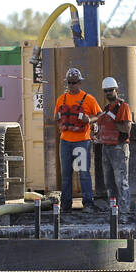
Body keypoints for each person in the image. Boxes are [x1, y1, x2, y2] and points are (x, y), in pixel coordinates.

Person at [53, 67, 101, 212]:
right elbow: (55, 116)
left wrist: (89, 120)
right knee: (66, 174)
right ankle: (66, 205)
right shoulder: (61, 99)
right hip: (65, 142)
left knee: (84, 173)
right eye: (69, 82)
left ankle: (88, 204)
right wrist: (59, 118)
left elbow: (99, 115)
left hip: (82, 141)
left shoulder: (89, 99)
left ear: (80, 83)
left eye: (74, 82)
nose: (71, 85)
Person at [93, 76, 133, 211]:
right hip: (106, 147)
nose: (108, 93)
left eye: (110, 90)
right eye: (106, 91)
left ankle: (124, 211)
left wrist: (112, 120)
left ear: (116, 90)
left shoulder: (123, 107)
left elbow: (127, 128)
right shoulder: (106, 109)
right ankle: (114, 210)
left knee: (121, 181)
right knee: (109, 183)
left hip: (118, 148)